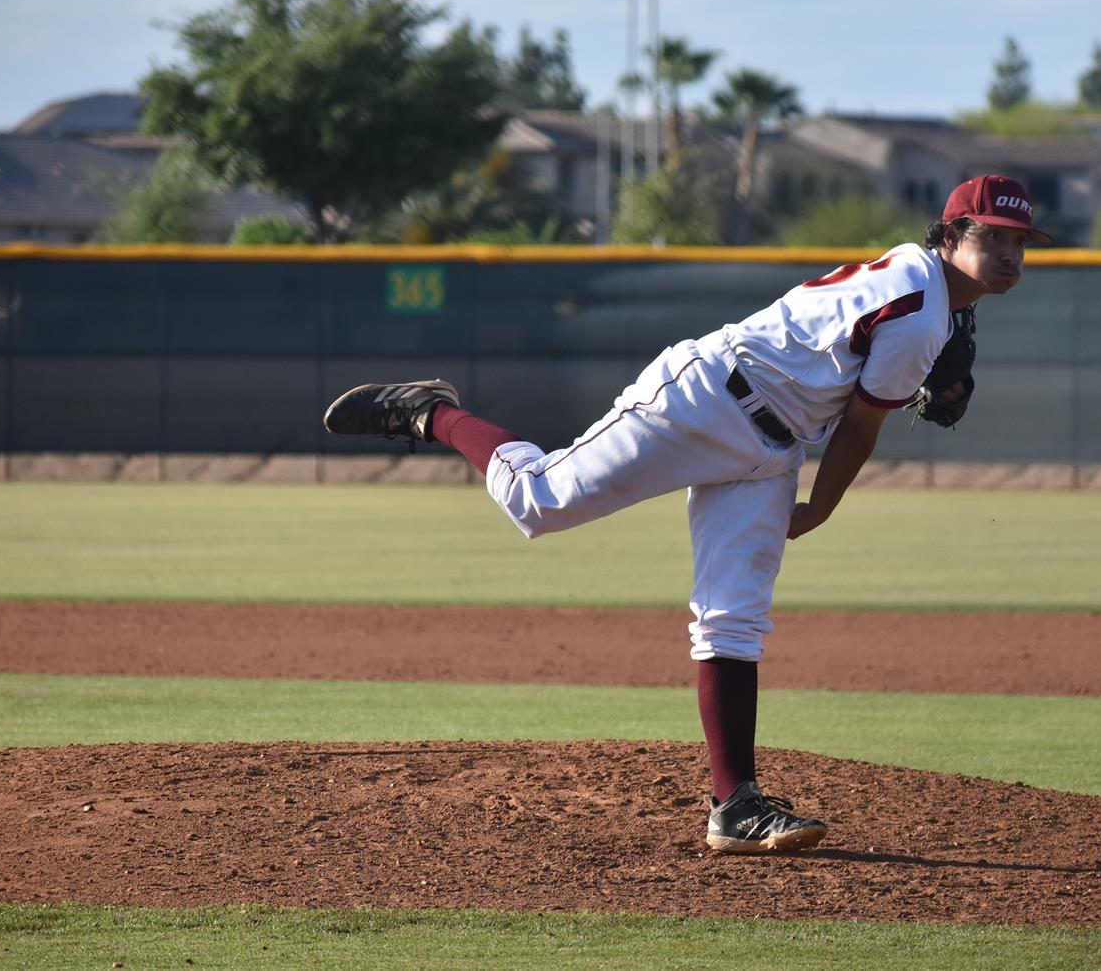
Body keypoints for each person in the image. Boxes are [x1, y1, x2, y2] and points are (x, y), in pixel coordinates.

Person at [323, 175, 1048, 854]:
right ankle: (430, 413)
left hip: (774, 442)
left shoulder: (921, 280)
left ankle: (736, 806)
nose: (1010, 254)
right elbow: (862, 428)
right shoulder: (925, 315)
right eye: (992, 237)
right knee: (537, 500)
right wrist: (820, 510)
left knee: (734, 615)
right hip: (704, 401)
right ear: (950, 235)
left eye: (1019, 244)